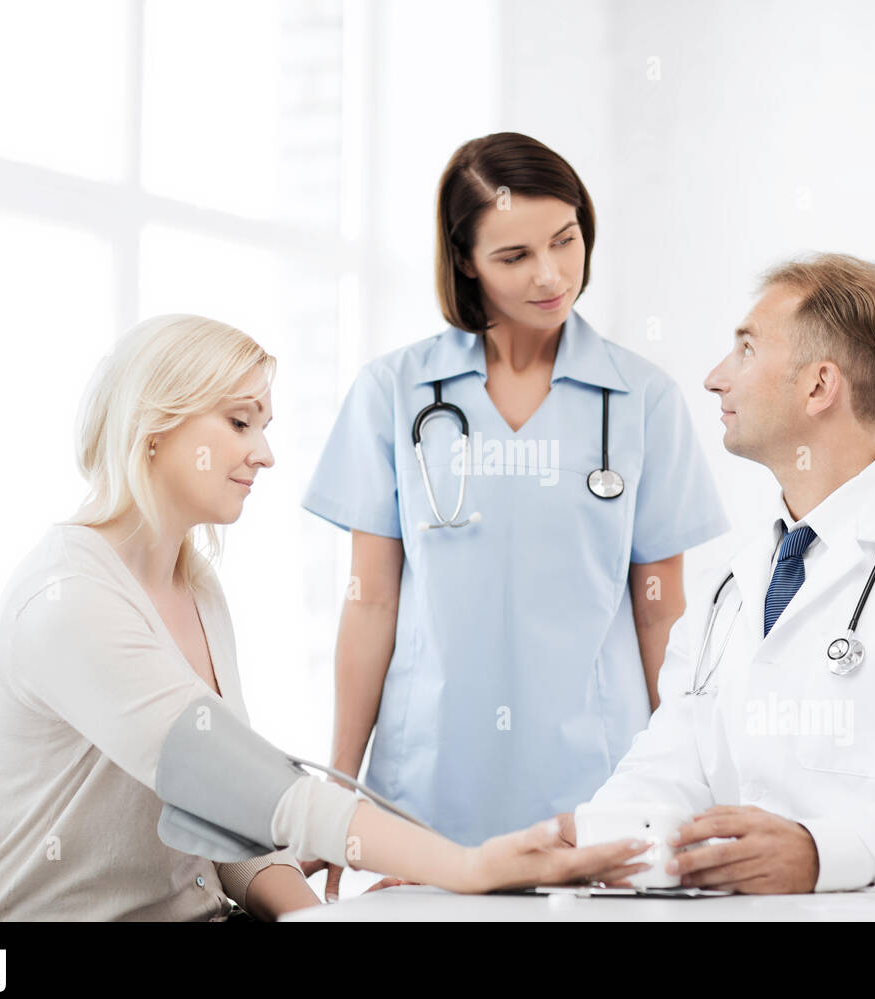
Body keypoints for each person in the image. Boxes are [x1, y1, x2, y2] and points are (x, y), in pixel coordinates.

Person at [0, 314, 650, 921]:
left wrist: (317, 919)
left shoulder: (195, 584)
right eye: (238, 421)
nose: (265, 452)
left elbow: (226, 826)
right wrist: (464, 865)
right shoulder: (71, 599)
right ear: (154, 427)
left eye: (264, 424)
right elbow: (249, 789)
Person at [560, 253, 875, 893]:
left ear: (819, 386)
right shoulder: (726, 588)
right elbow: (666, 768)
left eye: (745, 350)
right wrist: (577, 845)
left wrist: (820, 854)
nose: (714, 379)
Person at [301, 132, 728, 872]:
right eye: (514, 257)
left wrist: (690, 788)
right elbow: (370, 602)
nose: (551, 275)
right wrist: (338, 797)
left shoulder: (644, 400)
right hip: (430, 783)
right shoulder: (395, 393)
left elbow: (661, 610)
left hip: (600, 785)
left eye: (566, 241)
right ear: (464, 260)